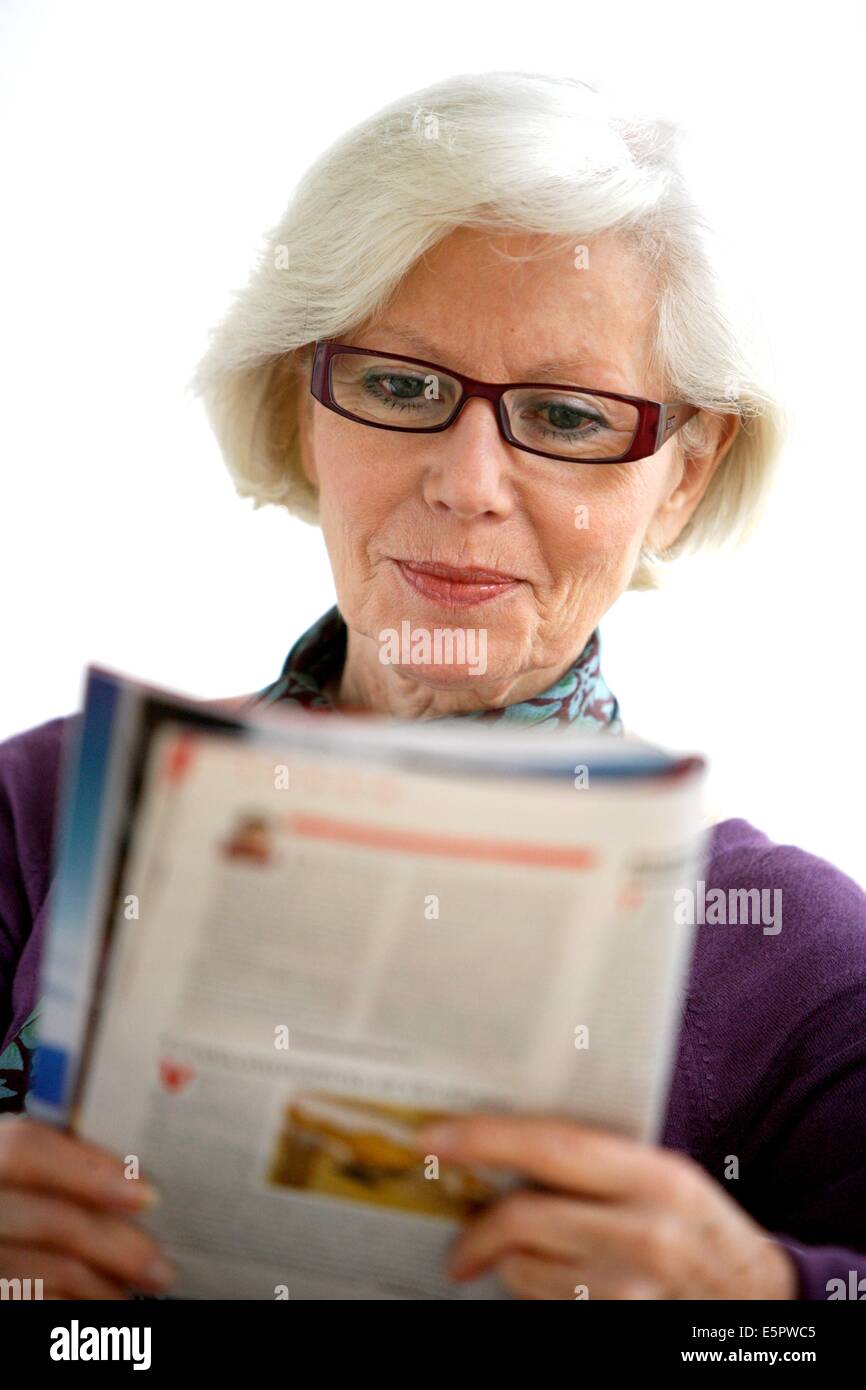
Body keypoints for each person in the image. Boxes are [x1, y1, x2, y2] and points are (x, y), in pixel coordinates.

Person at [1, 71, 864, 1301]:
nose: (466, 484)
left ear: (680, 472)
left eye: (565, 417)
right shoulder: (39, 812)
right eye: (400, 386)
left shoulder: (802, 956)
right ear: (305, 404)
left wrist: (754, 1297)